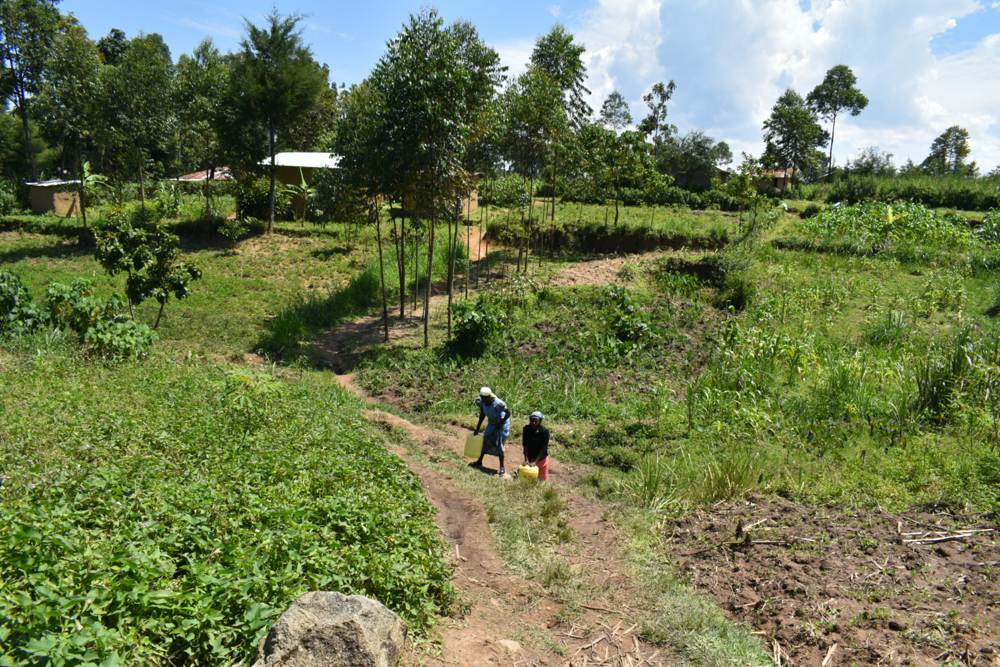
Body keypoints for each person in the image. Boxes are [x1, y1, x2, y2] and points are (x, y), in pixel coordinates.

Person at [472, 386, 512, 476]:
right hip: (492, 422)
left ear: (489, 397)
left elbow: (508, 413)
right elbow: (482, 414)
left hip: (502, 424)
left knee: (500, 443)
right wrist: (478, 427)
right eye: (482, 398)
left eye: (485, 398)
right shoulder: (482, 402)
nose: (483, 400)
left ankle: (502, 467)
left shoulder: (498, 403)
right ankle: (479, 461)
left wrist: (500, 422)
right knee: (485, 439)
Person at [522, 411, 550, 481]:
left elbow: (543, 449)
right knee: (528, 480)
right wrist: (526, 460)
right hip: (531, 458)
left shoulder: (545, 432)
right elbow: (525, 445)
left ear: (540, 421)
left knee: (541, 480)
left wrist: (535, 462)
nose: (534, 423)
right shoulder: (526, 429)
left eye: (536, 421)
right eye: (532, 421)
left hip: (541, 460)